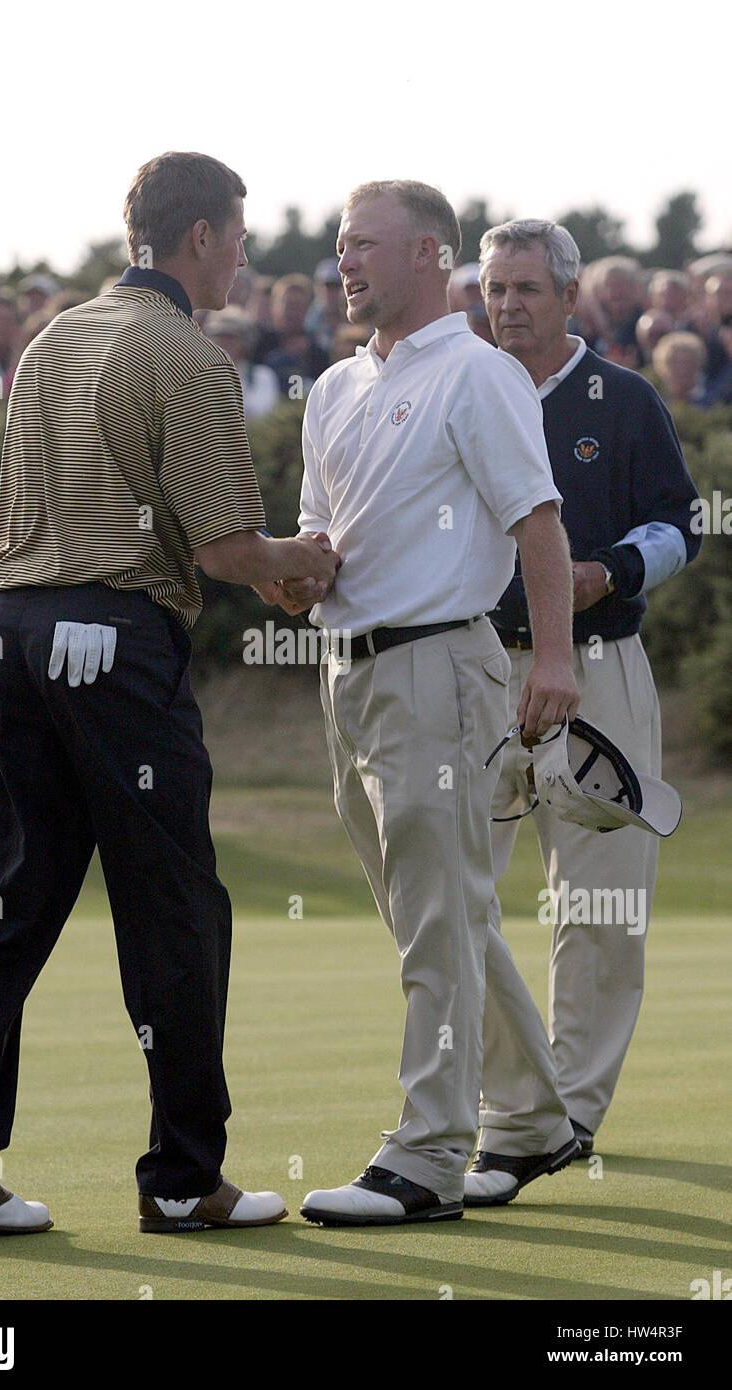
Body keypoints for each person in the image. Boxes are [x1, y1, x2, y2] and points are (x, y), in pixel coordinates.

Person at [0, 150, 339, 1238]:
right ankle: (185, 1179)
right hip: (112, 644)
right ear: (199, 238)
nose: (243, 255)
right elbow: (231, 545)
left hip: (7, 638)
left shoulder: (55, 331)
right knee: (175, 909)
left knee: (10, 903)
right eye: (237, 237)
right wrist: (311, 558)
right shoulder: (185, 350)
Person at [260, 180, 580, 1227]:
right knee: (433, 911)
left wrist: (554, 663)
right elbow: (320, 532)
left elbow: (536, 524)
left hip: (440, 663)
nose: (343, 263)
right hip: (346, 672)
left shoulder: (480, 374)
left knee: (436, 917)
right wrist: (289, 569)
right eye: (340, 246)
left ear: (427, 256)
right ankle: (533, 1117)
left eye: (363, 244)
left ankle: (428, 1153)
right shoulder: (332, 388)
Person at [467, 219, 700, 1198]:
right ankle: (494, 1107)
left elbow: (678, 524)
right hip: (475, 670)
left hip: (599, 669)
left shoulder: (624, 397)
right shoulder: (458, 389)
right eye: (495, 287)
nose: (508, 303)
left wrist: (610, 569)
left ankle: (568, 1115)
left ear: (569, 297)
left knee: (598, 903)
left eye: (527, 287)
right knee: (450, 892)